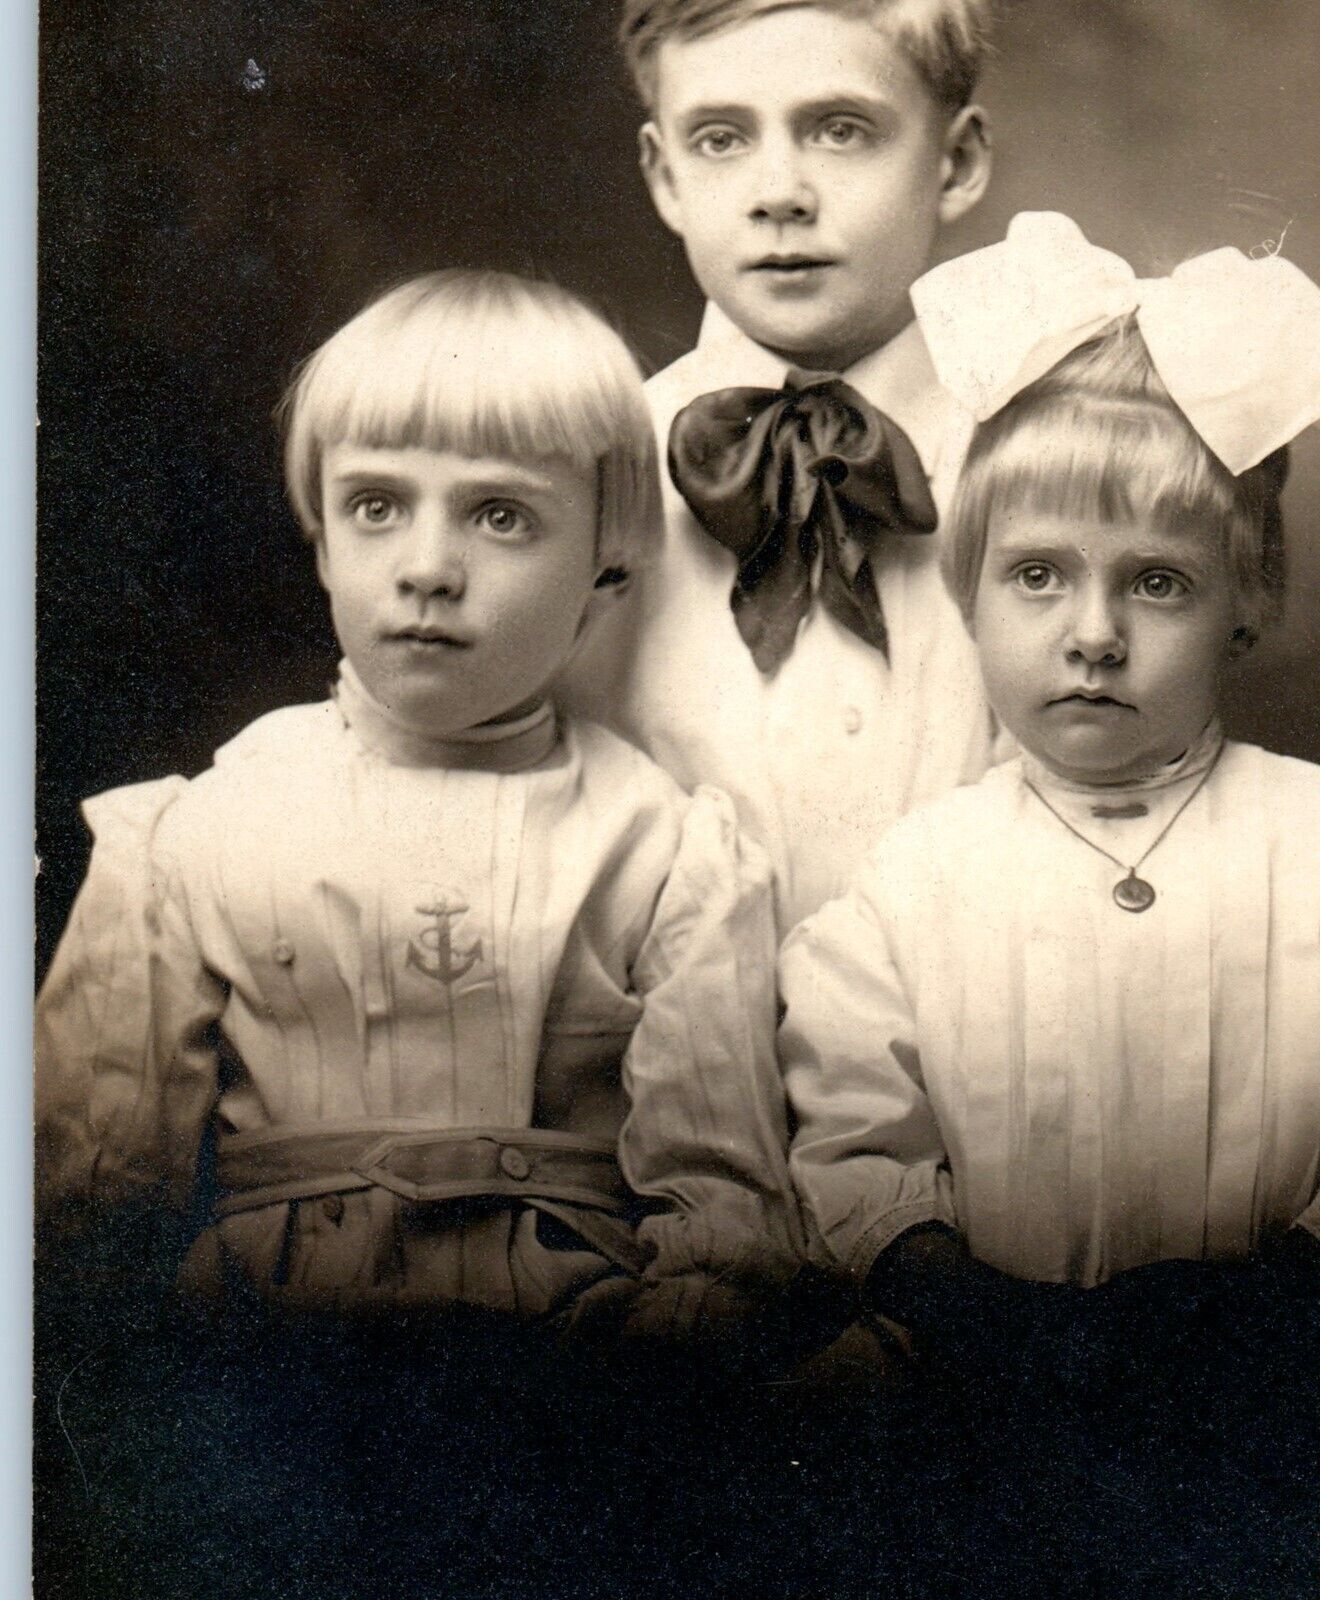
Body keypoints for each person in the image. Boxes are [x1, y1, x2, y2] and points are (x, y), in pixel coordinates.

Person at [781, 213, 1320, 1363]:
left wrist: (1282, 1298)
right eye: (1038, 575)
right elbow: (852, 1134)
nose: (1094, 635)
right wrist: (970, 1311)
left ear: (1246, 603)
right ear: (968, 595)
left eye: (1156, 582)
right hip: (991, 1391)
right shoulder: (916, 879)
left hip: (1282, 1387)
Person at [35, 269, 804, 1347]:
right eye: (376, 507)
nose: (428, 569)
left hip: (572, 1361)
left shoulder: (663, 847)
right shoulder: (206, 829)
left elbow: (721, 1195)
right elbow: (91, 1191)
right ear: (321, 543)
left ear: (606, 569)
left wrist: (674, 1345)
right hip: (269, 1362)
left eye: (500, 515)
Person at [557, 0, 998, 933]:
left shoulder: (1042, 464)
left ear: (954, 164)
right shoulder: (585, 475)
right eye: (720, 139)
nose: (781, 191)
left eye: (842, 132)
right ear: (663, 176)